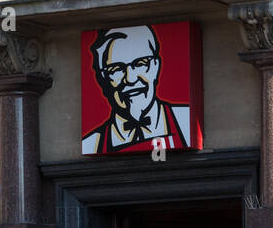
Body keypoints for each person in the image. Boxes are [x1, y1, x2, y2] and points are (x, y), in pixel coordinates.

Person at [81, 25, 192, 154]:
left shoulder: (186, 123)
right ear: (102, 78)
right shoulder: (91, 144)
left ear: (156, 66)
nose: (130, 79)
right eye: (116, 69)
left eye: (140, 63)